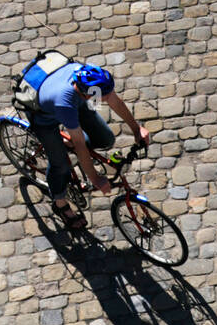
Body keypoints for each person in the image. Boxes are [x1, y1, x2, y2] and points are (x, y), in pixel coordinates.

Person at [28, 62, 149, 230]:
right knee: (60, 164)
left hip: (76, 101)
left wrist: (137, 129)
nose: (106, 98)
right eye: (102, 96)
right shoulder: (64, 102)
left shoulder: (93, 79)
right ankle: (60, 204)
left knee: (106, 139)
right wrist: (95, 178)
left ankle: (69, 140)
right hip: (45, 118)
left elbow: (116, 102)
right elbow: (80, 145)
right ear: (85, 93)